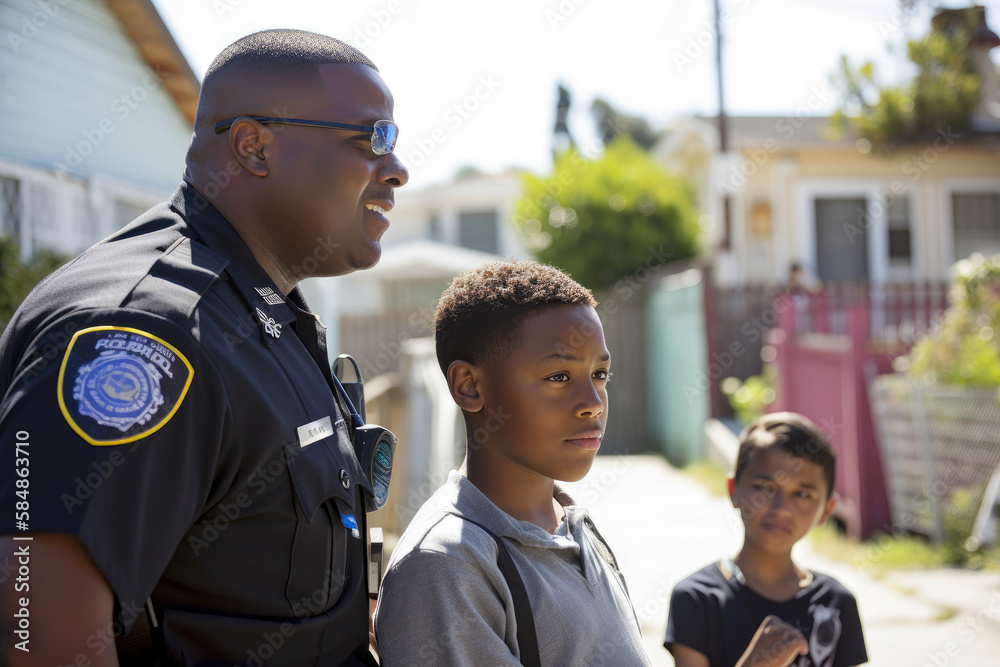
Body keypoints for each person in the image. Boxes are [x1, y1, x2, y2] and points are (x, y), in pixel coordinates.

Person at [0, 29, 407, 666]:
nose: (398, 168)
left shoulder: (260, 309)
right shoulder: (147, 329)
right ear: (253, 147)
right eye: (372, 137)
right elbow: (33, 627)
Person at [373, 260, 651, 666]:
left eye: (600, 374)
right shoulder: (448, 564)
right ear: (469, 386)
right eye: (559, 376)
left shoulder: (577, 526)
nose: (593, 403)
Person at [664, 412, 868, 667]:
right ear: (733, 490)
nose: (781, 508)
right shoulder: (697, 600)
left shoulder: (837, 603)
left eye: (802, 494)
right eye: (764, 486)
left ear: (826, 510)